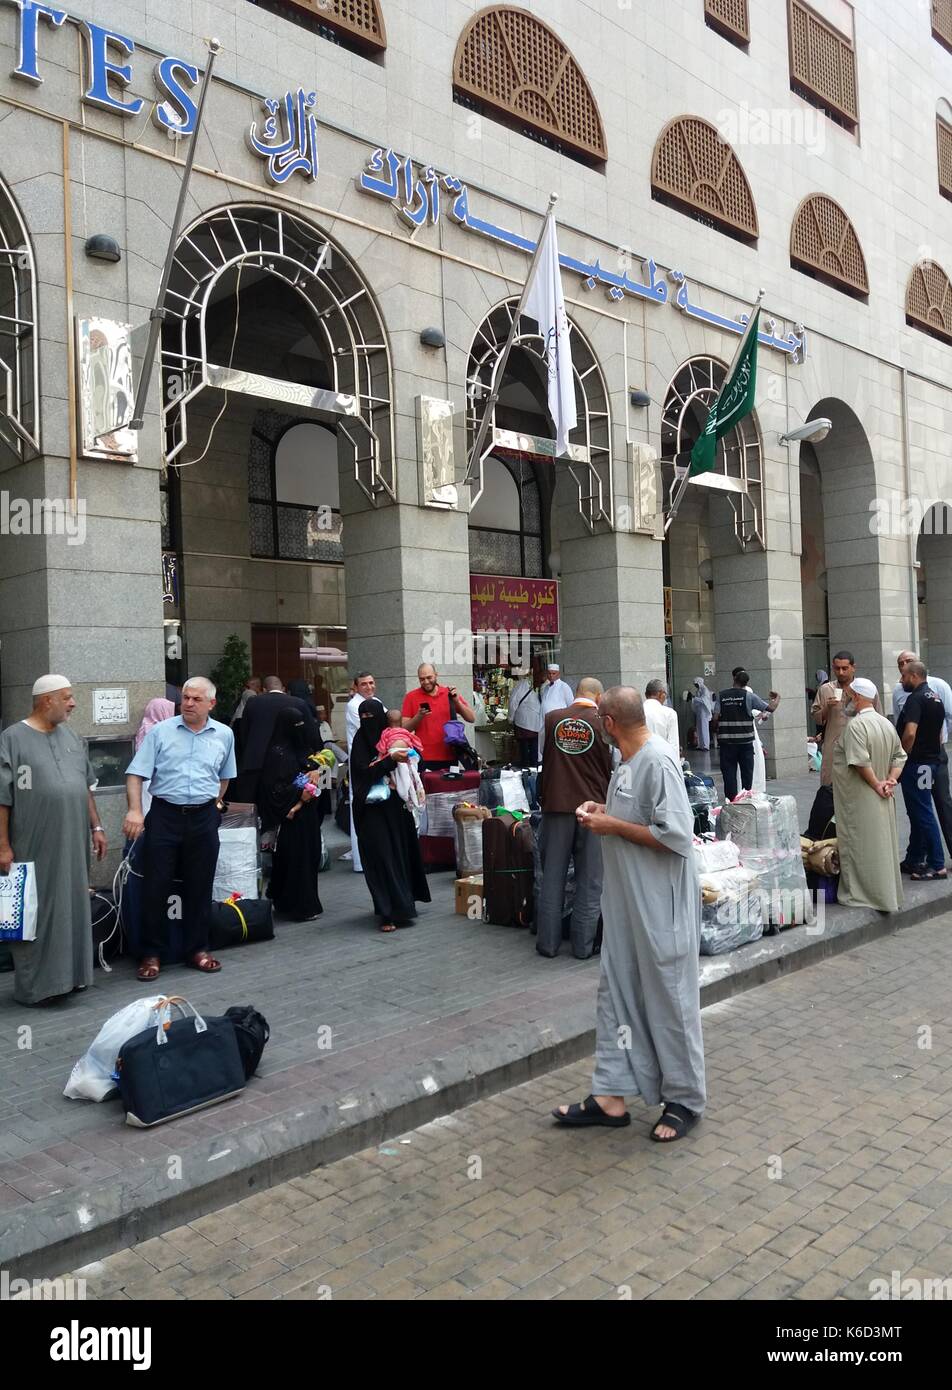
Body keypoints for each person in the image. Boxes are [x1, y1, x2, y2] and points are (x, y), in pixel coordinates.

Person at [553, 687, 705, 1142]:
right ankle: (610, 1096)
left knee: (669, 998)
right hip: (625, 908)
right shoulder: (628, 762)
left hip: (660, 906)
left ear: (609, 722)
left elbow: (676, 835)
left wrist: (611, 825)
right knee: (616, 994)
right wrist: (601, 811)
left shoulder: (657, 761)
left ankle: (684, 1100)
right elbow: (632, 816)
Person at [0, 676, 107, 1006]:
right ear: (47, 701)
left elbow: (84, 786)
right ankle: (37, 988)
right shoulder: (12, 739)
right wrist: (3, 845)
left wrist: (97, 827)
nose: (73, 703)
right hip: (33, 844)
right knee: (39, 912)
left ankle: (72, 979)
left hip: (73, 844)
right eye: (68, 697)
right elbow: (3, 798)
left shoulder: (73, 737)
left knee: (72, 907)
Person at [124, 676, 237, 981]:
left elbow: (225, 776)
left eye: (196, 699)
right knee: (156, 886)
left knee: (200, 885)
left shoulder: (224, 734)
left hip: (203, 818)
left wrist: (216, 804)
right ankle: (151, 954)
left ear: (211, 704)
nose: (187, 703)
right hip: (164, 815)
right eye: (185, 698)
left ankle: (197, 949)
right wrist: (135, 810)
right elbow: (135, 774)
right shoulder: (161, 732)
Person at [536, 677, 612, 959]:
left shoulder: (552, 718)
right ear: (598, 696)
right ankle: (582, 946)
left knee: (552, 876)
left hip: (557, 805)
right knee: (591, 880)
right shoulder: (603, 722)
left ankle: (548, 944)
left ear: (576, 693)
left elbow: (545, 758)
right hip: (593, 808)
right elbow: (609, 765)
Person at [350, 700, 431, 932]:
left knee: (401, 854)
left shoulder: (392, 735)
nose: (368, 721)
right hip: (372, 811)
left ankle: (404, 905)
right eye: (363, 716)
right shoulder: (360, 743)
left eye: (372, 716)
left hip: (396, 809)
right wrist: (387, 761)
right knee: (382, 858)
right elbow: (362, 773)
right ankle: (386, 912)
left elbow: (416, 758)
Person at [831, 678, 906, 913]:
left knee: (860, 845)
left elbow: (860, 762)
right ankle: (887, 894)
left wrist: (876, 785)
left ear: (857, 697)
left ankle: (863, 894)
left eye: (848, 695)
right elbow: (899, 756)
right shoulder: (885, 723)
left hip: (862, 798)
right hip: (884, 794)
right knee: (882, 845)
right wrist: (891, 780)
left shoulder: (856, 726)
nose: (845, 700)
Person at [256, 708, 323, 921]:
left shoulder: (302, 749)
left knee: (307, 857)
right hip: (289, 818)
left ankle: (293, 901)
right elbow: (272, 788)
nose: (299, 729)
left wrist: (315, 774)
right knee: (294, 859)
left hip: (307, 814)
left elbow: (313, 768)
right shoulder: (276, 754)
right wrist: (298, 796)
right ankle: (298, 905)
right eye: (294, 725)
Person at [808, 651, 882, 839]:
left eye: (844, 668)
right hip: (834, 749)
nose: (840, 672)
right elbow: (816, 716)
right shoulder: (826, 689)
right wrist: (828, 707)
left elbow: (878, 716)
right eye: (837, 668)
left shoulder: (865, 689)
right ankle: (830, 837)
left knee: (859, 790)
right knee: (829, 792)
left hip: (861, 749)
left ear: (853, 667)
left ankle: (858, 832)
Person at [893, 650, 952, 859]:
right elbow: (900, 723)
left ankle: (937, 860)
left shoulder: (937, 687)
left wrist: (903, 753)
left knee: (940, 805)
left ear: (916, 669)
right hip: (917, 759)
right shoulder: (900, 691)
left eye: (908, 662)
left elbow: (948, 717)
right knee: (919, 807)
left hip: (931, 758)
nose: (903, 666)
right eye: (900, 663)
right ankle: (917, 856)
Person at [234, 676, 318, 801]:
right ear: (283, 688)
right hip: (290, 763)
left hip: (257, 762)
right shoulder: (298, 703)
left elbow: (244, 731)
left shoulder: (253, 703)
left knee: (260, 803)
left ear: (263, 689)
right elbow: (311, 733)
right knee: (289, 799)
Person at [711, 670, 780, 802]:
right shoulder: (749, 696)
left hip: (727, 744)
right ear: (746, 683)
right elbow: (770, 709)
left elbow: (715, 718)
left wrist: (716, 729)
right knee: (747, 776)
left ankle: (731, 802)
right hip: (745, 744)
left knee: (729, 776)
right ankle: (746, 802)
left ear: (734, 679)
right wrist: (777, 698)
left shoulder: (722, 695)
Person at [401, 663, 476, 771]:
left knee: (450, 787)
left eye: (429, 677)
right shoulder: (411, 697)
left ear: (436, 675)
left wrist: (457, 702)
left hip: (450, 754)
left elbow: (471, 718)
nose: (426, 682)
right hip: (424, 757)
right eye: (422, 679)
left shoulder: (448, 693)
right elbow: (404, 729)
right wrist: (419, 716)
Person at [345, 673, 385, 871]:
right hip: (362, 761)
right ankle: (361, 860)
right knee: (360, 802)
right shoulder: (355, 706)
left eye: (371, 682)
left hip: (377, 759)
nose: (368, 687)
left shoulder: (375, 701)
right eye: (363, 684)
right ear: (356, 686)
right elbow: (374, 728)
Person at [133, 697, 176, 814]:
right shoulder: (158, 730)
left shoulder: (146, 726)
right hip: (155, 776)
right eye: (169, 710)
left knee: (148, 807)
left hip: (147, 775)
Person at [733, 667, 768, 795]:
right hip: (748, 733)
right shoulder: (747, 692)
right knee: (751, 763)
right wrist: (762, 713)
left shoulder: (730, 693)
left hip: (737, 733)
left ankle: (744, 790)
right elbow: (754, 710)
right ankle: (750, 790)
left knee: (743, 765)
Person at [508, 668, 542, 767]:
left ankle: (525, 766)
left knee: (524, 745)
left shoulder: (519, 686)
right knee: (534, 744)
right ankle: (534, 765)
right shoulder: (534, 686)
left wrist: (510, 718)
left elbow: (513, 703)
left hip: (523, 722)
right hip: (535, 722)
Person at [643, 679, 680, 758]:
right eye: (665, 694)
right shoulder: (669, 713)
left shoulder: (635, 712)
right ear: (661, 694)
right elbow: (673, 745)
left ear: (646, 695)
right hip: (662, 763)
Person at [538, 664, 574, 728]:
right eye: (549, 673)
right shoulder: (546, 687)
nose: (551, 675)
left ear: (558, 674)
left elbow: (571, 704)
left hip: (558, 722)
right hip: (544, 721)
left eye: (554, 673)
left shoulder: (564, 686)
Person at [690, 678, 714, 751]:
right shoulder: (699, 690)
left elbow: (704, 700)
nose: (695, 685)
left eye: (696, 684)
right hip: (699, 712)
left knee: (704, 728)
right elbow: (697, 701)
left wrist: (694, 698)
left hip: (704, 712)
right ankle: (700, 745)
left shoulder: (705, 690)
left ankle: (706, 746)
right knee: (699, 728)